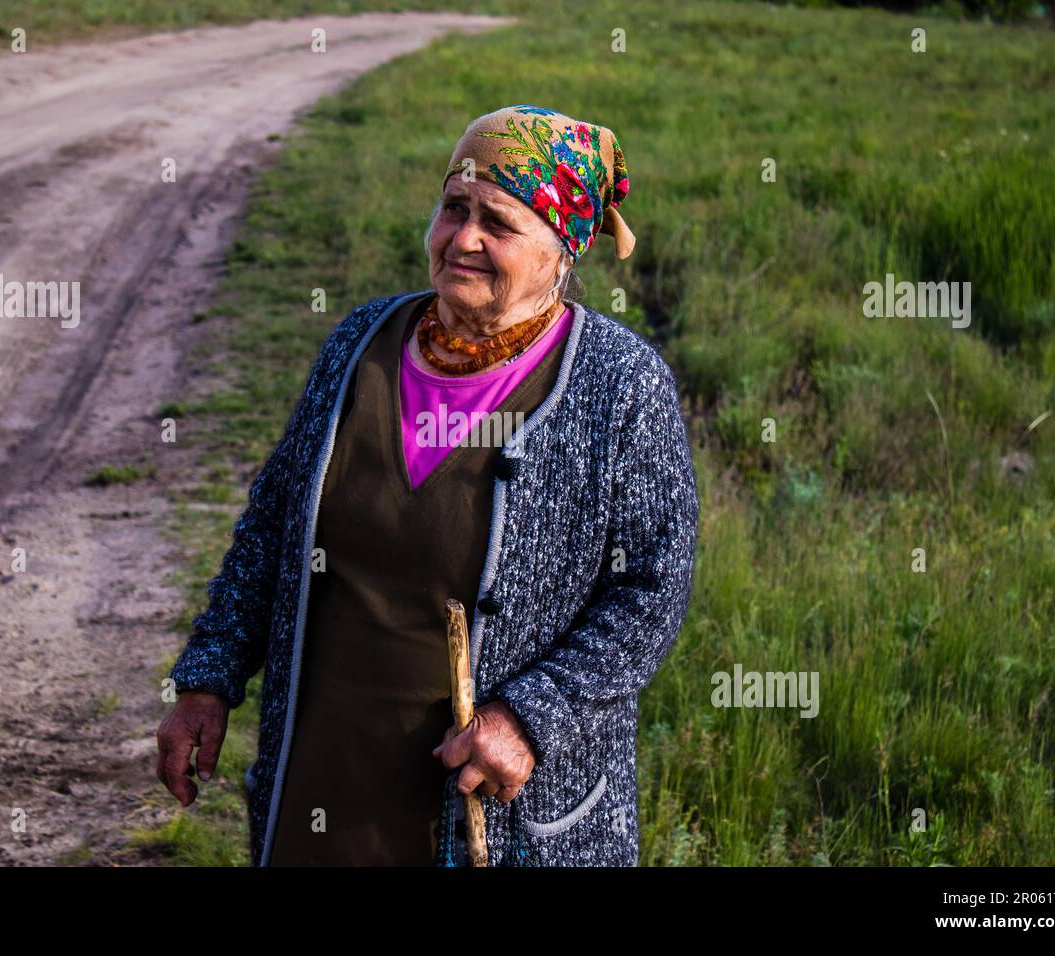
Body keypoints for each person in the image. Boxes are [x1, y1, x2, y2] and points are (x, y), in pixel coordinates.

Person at [156, 104, 699, 866]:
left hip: (494, 802)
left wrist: (529, 717)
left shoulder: (619, 386)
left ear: (560, 251)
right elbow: (272, 523)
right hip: (328, 784)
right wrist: (208, 680)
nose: (464, 239)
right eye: (454, 208)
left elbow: (652, 589)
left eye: (499, 223)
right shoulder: (360, 343)